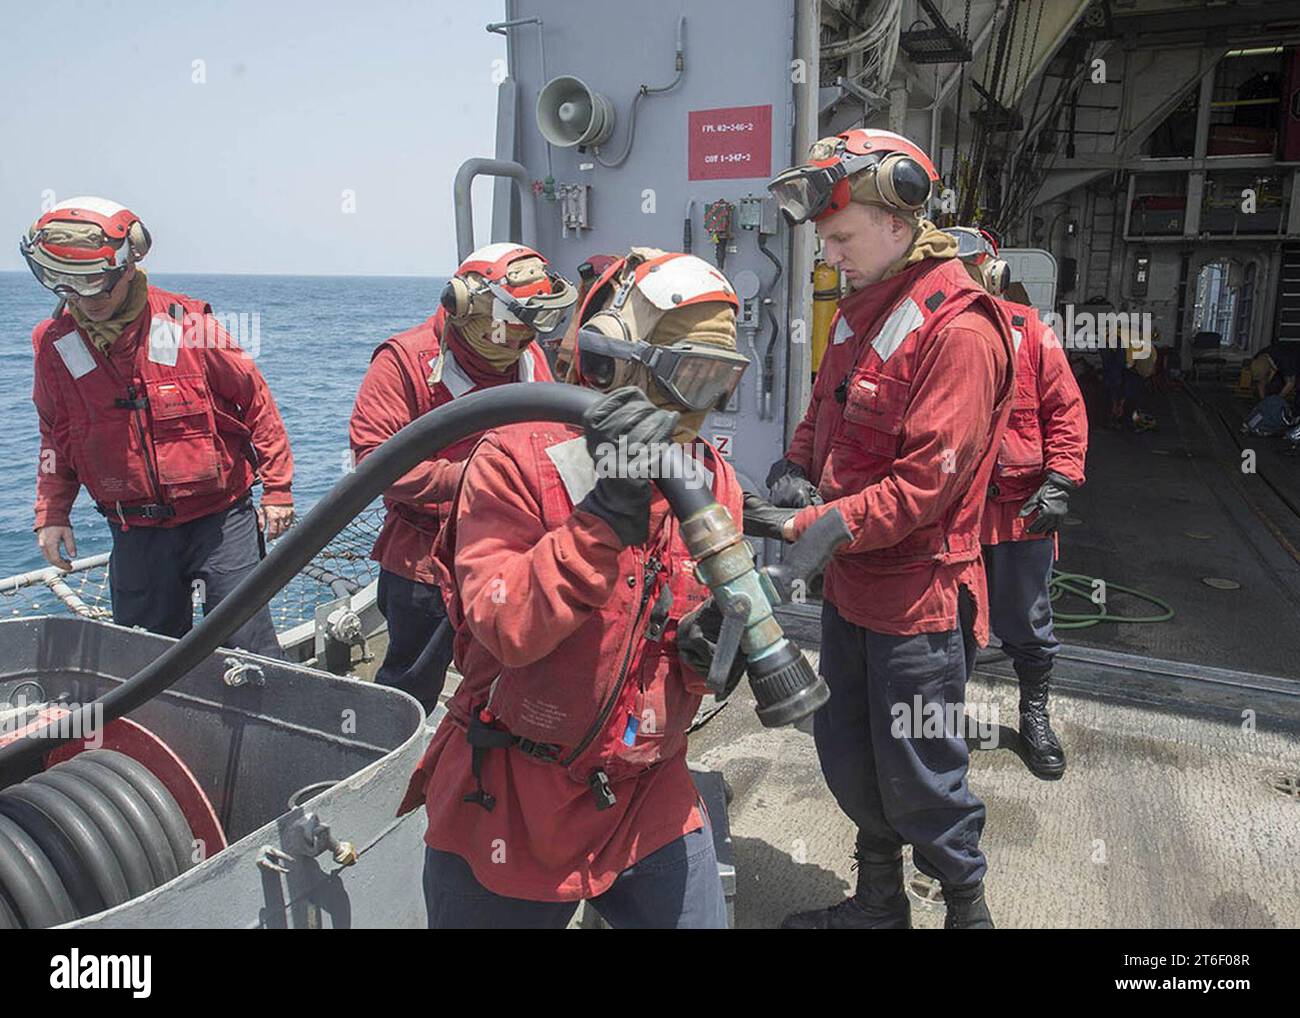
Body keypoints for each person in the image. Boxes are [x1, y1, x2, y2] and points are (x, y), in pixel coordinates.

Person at [397, 248, 749, 928]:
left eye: (719, 381)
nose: (700, 408)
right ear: (618, 359)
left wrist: (707, 655)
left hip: (647, 791)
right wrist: (601, 523)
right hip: (509, 795)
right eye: (687, 376)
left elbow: (693, 632)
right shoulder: (515, 460)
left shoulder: (710, 480)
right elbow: (506, 629)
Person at [764, 130, 1016, 929]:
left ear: (901, 222)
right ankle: (880, 905)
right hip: (852, 590)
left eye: (841, 236)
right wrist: (791, 470)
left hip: (920, 606)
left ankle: (966, 912)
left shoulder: (960, 331)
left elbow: (923, 487)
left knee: (922, 774)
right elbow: (822, 418)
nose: (830, 254)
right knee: (850, 754)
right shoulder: (858, 314)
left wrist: (805, 522)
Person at [25, 197, 293, 657]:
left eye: (96, 287)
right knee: (146, 660)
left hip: (220, 523)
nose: (85, 304)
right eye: (68, 290)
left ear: (129, 265)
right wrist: (52, 513)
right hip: (134, 532)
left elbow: (256, 401)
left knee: (249, 649)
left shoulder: (187, 324)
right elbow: (56, 433)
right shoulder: (54, 346)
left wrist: (278, 490)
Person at [349, 244, 575, 711]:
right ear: (467, 308)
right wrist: (479, 479)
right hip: (428, 562)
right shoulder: (404, 362)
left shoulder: (528, 355)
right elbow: (375, 462)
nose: (520, 339)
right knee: (410, 686)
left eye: (529, 328)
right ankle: (393, 772)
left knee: (515, 679)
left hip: (515, 555)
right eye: (513, 326)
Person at [946, 227, 1089, 780]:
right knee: (949, 628)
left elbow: (1065, 411)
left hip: (1021, 512)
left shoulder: (1030, 332)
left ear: (993, 273)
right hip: (952, 515)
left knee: (1026, 624)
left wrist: (1059, 481)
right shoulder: (927, 335)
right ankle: (940, 728)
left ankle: (1033, 715)